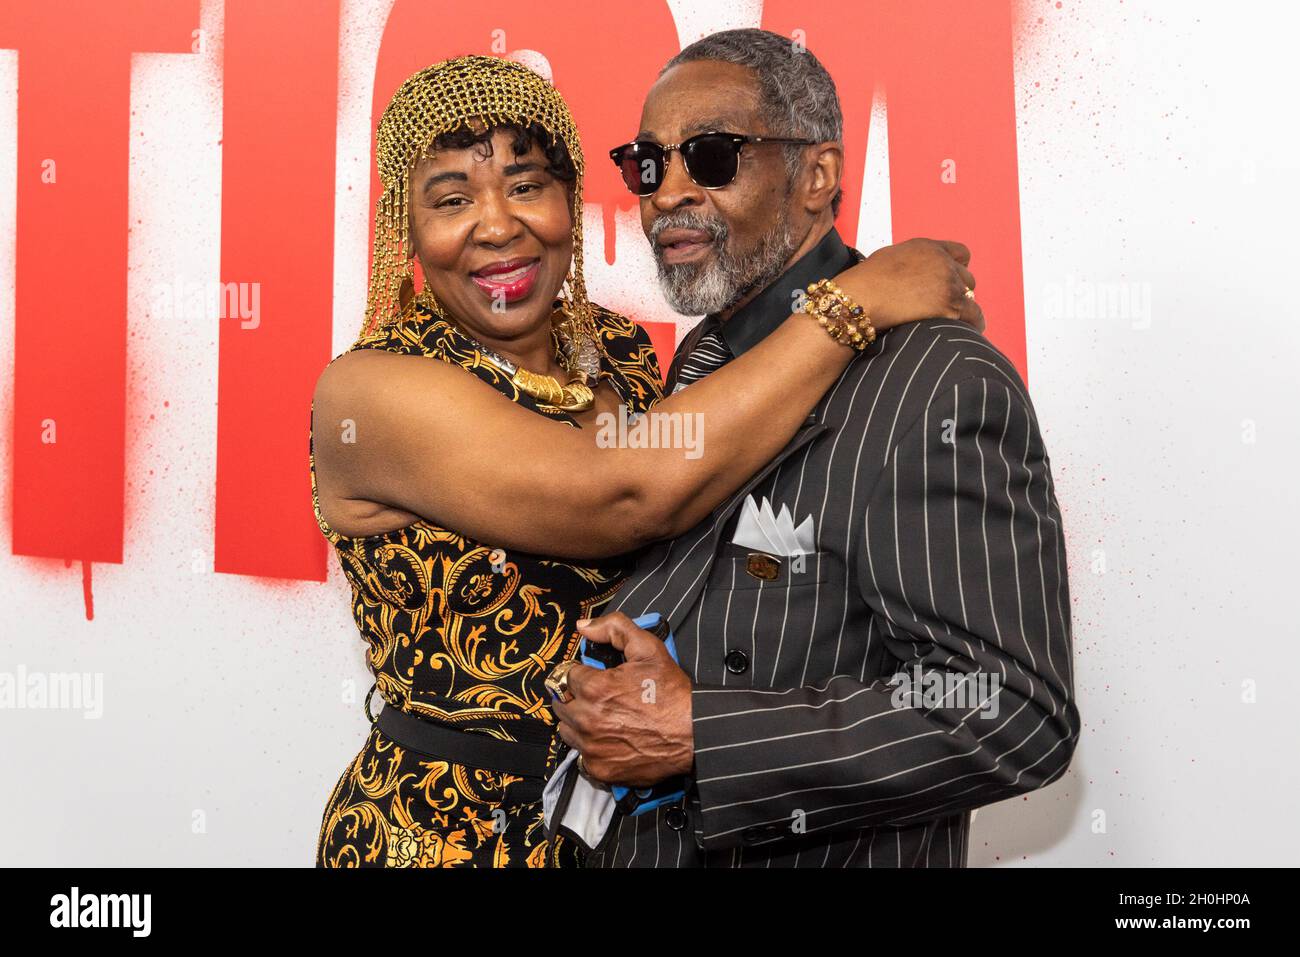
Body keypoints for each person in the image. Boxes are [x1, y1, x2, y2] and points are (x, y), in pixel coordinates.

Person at [309, 55, 982, 867]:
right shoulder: (370, 393)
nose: (496, 224)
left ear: (571, 202)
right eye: (452, 200)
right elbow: (624, 496)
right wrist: (857, 299)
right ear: (405, 229)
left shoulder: (619, 351)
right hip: (439, 836)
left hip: (623, 833)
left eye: (527, 185)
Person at [552, 28, 1081, 867]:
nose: (666, 194)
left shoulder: (938, 382)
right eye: (648, 165)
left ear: (818, 177)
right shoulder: (703, 358)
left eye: (711, 156)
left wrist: (704, 733)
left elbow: (1012, 708)